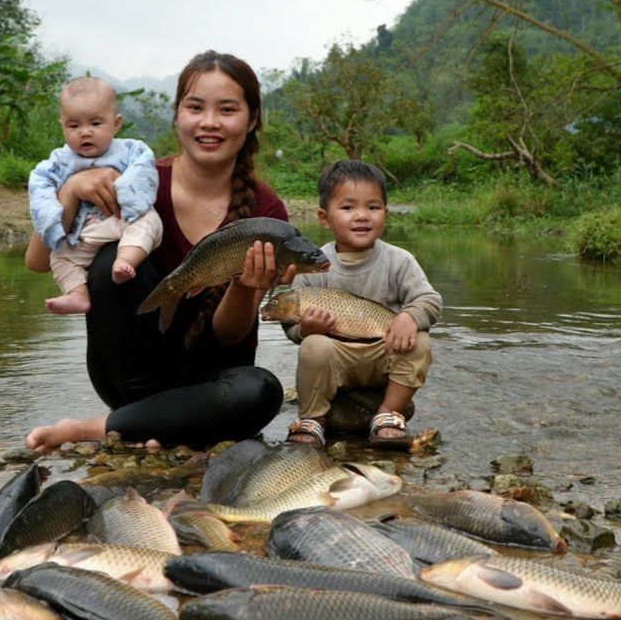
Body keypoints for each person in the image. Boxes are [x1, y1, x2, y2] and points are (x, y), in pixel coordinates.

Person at [24, 51, 294, 452]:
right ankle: (141, 418)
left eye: (227, 110)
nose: (209, 122)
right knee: (110, 259)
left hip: (212, 378)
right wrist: (70, 191)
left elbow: (229, 336)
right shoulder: (136, 181)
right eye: (195, 107)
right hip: (130, 376)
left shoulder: (265, 213)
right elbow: (37, 261)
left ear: (252, 119)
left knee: (262, 391)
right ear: (177, 114)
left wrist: (244, 286)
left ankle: (103, 429)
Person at [282, 160, 442, 449]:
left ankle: (388, 412)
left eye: (373, 207)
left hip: (385, 353)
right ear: (324, 218)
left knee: (420, 342)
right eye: (348, 208)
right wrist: (306, 329)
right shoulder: (312, 264)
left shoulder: (399, 260)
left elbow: (429, 300)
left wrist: (409, 317)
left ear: (386, 213)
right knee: (313, 345)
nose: (361, 216)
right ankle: (313, 419)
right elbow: (291, 328)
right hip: (337, 358)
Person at [29, 77, 162, 315]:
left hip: (126, 219)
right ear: (62, 126)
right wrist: (53, 217)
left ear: (116, 123)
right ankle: (77, 293)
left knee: (147, 223)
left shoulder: (131, 149)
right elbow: (39, 186)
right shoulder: (58, 162)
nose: (85, 132)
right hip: (86, 234)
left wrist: (124, 192)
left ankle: (125, 260)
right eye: (74, 126)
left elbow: (145, 170)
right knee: (60, 258)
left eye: (95, 123)